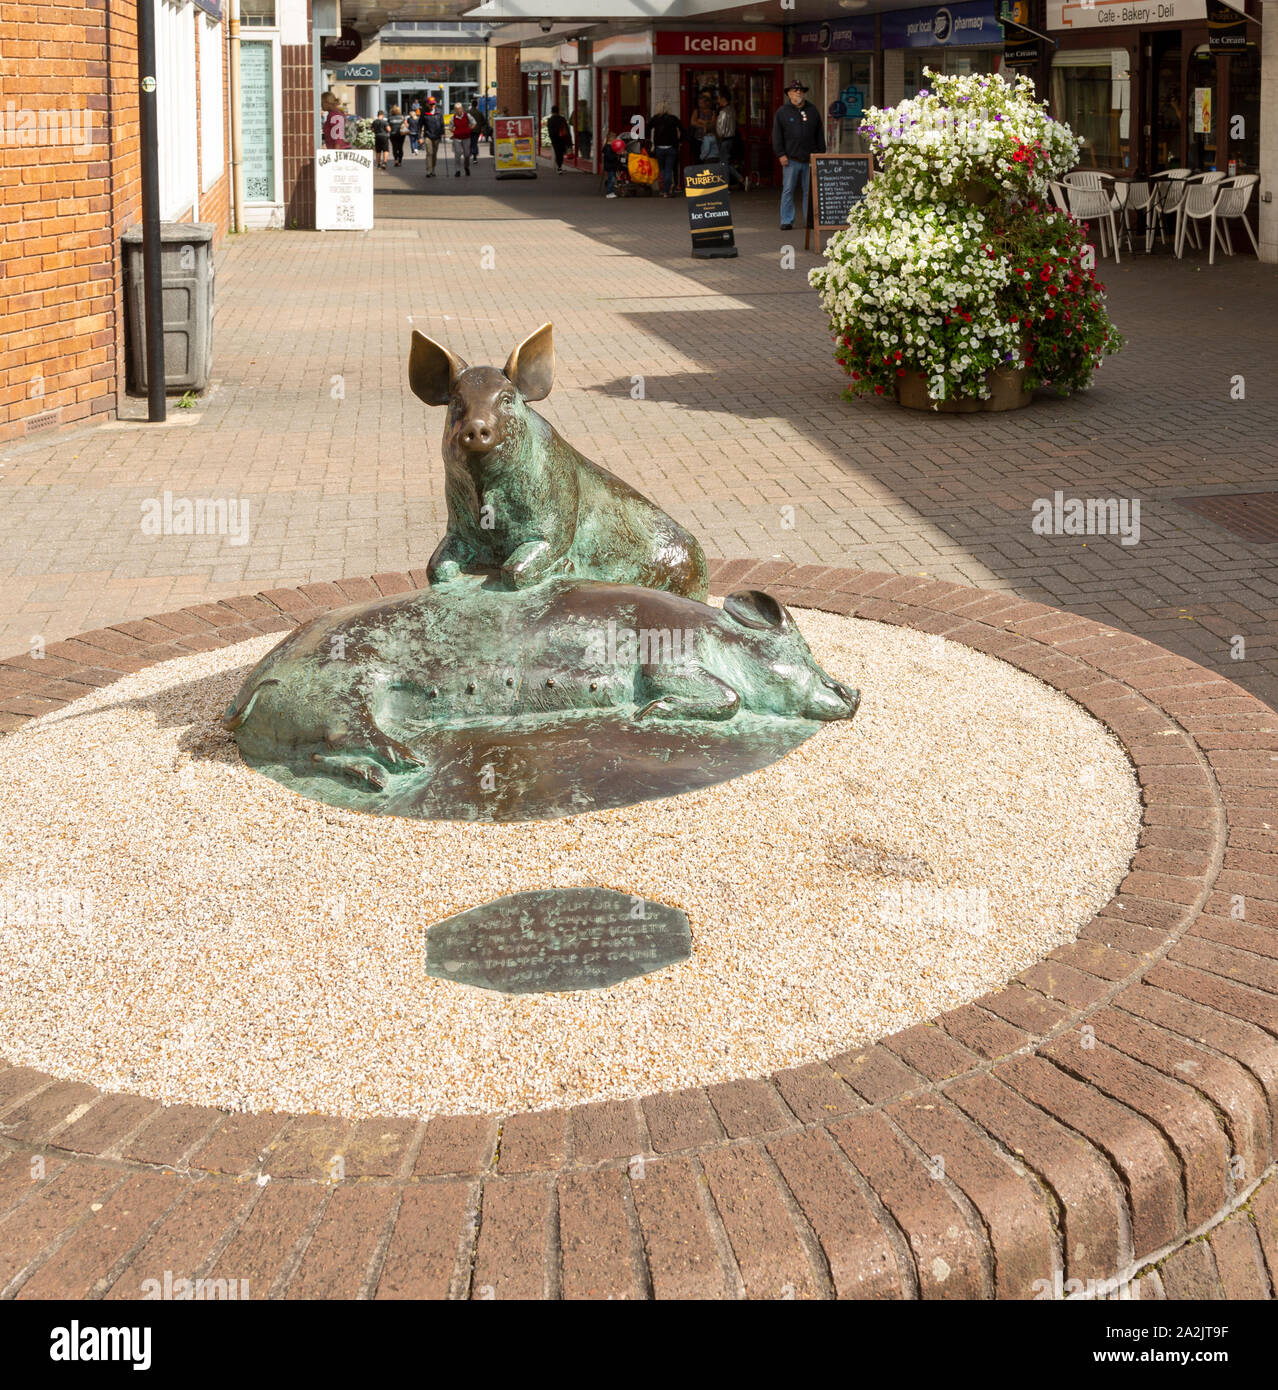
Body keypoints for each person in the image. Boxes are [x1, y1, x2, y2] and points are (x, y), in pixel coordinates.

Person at [772, 79, 825, 230]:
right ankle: (786, 220)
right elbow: (777, 135)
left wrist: (820, 154)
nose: (798, 93)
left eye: (800, 90)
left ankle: (810, 220)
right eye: (795, 90)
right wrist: (781, 154)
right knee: (788, 190)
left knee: (810, 191)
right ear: (789, 93)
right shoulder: (782, 112)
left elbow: (819, 134)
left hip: (810, 159)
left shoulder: (812, 110)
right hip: (790, 159)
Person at [650, 102, 682, 197]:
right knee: (669, 170)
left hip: (659, 148)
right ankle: (667, 191)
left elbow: (648, 127)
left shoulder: (656, 118)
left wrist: (648, 140)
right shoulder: (673, 118)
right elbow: (682, 129)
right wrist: (679, 140)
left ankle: (666, 189)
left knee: (662, 169)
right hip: (671, 147)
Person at [715, 89, 745, 188]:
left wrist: (718, 136)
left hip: (725, 140)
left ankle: (727, 185)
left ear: (723, 98)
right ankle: (740, 178)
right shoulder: (732, 110)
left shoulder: (723, 112)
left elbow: (721, 129)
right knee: (725, 162)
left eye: (719, 98)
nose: (717, 100)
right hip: (731, 139)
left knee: (724, 163)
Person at [690, 90, 717, 162]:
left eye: (701, 103)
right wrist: (703, 126)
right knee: (698, 158)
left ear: (706, 103)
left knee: (708, 157)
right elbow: (693, 122)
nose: (700, 105)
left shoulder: (712, 112)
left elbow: (713, 123)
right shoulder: (697, 111)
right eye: (699, 103)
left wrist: (702, 121)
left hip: (709, 138)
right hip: (698, 139)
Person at [546, 104, 572, 173]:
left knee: (557, 152)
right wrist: (569, 139)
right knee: (561, 152)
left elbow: (550, 130)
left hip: (554, 138)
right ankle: (559, 166)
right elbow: (566, 129)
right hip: (562, 137)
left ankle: (559, 167)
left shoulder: (550, 120)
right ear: (558, 111)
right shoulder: (562, 118)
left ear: (552, 111)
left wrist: (551, 137)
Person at [421, 101, 443, 178]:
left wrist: (442, 133)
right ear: (427, 104)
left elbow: (441, 124)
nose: (432, 106)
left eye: (433, 104)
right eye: (430, 104)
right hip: (428, 135)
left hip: (436, 136)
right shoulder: (424, 113)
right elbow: (420, 124)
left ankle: (433, 169)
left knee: (434, 154)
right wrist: (419, 137)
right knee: (429, 153)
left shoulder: (439, 112)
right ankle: (428, 170)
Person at [451, 103, 472, 177]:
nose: (458, 110)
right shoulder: (453, 117)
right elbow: (451, 127)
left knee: (467, 154)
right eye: (456, 109)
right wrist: (452, 130)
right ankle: (457, 170)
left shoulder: (467, 115)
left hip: (466, 137)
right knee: (457, 154)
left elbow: (474, 123)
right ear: (455, 110)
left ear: (462, 109)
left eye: (459, 109)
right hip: (457, 137)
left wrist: (469, 129)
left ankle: (466, 167)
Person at [602, 133, 623, 197]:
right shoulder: (609, 148)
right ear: (612, 140)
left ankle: (610, 190)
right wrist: (616, 155)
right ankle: (609, 192)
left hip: (610, 166)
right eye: (615, 140)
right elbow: (610, 157)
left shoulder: (608, 147)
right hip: (610, 166)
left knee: (611, 179)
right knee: (612, 180)